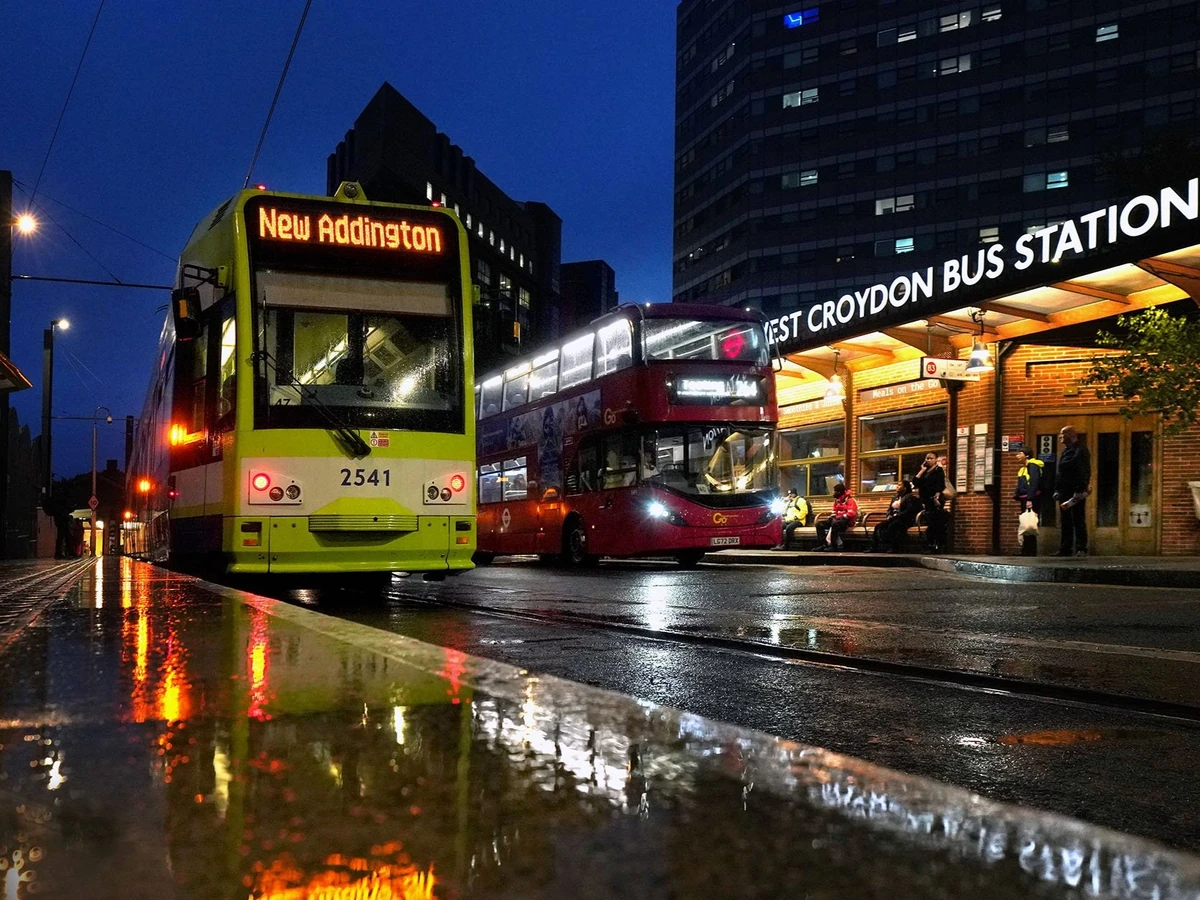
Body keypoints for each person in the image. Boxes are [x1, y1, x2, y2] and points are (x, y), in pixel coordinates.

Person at [1055, 425, 1091, 557]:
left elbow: (1084, 471)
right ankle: (1065, 548)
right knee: (1065, 521)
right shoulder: (1066, 450)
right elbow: (1061, 472)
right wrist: (1057, 489)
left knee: (1078, 519)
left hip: (1075, 492)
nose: (1060, 437)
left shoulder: (1080, 450)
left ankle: (1081, 548)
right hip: (1064, 491)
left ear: (1069, 435)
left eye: (1062, 434)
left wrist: (1080, 490)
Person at [871, 480, 921, 552]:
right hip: (893, 518)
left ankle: (894, 547)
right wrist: (889, 515)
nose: (897, 487)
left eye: (899, 485)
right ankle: (874, 547)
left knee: (893, 526)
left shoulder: (910, 497)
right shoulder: (895, 497)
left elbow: (909, 511)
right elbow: (889, 509)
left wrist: (897, 515)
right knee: (878, 526)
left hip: (904, 519)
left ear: (905, 488)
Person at [912, 451, 947, 551]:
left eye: (931, 458)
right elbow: (915, 482)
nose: (929, 460)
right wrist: (922, 470)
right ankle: (932, 544)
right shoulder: (925, 471)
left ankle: (935, 545)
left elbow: (940, 485)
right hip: (926, 500)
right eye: (927, 458)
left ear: (936, 459)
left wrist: (937, 497)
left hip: (935, 500)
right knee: (931, 522)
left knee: (935, 523)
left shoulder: (938, 470)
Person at [1013, 450, 1044, 556]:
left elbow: (1033, 483)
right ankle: (1026, 550)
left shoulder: (1033, 466)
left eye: (1019, 453)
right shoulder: (1023, 469)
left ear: (1027, 455)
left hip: (1030, 499)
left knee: (1030, 524)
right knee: (1025, 524)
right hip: (1024, 498)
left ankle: (1030, 551)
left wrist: (1030, 499)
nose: (1017, 456)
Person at [815, 483, 858, 551]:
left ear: (839, 492)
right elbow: (834, 511)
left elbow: (852, 513)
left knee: (835, 524)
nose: (833, 493)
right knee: (819, 524)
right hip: (837, 519)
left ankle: (833, 546)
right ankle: (823, 544)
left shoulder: (850, 500)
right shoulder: (837, 500)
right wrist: (832, 517)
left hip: (847, 521)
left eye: (835, 491)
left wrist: (842, 517)